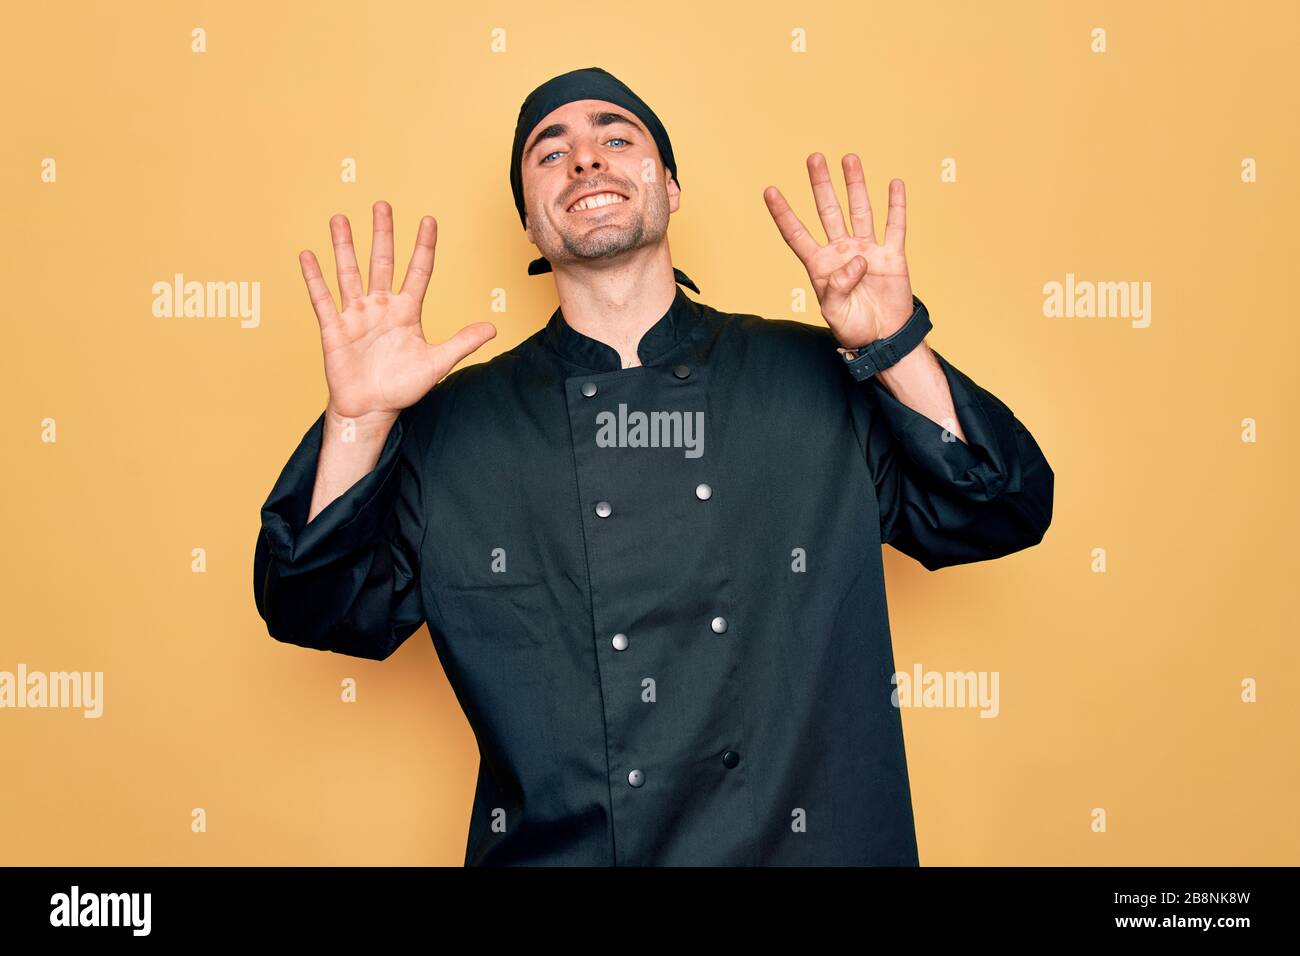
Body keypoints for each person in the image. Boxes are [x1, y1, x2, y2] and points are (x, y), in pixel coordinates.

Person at [253, 66, 1054, 866]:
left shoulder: (814, 376)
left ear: (670, 186)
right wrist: (358, 422)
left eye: (616, 137)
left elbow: (1001, 507)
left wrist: (895, 344)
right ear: (528, 223)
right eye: (550, 151)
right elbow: (317, 608)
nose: (586, 160)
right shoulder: (456, 425)